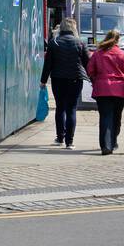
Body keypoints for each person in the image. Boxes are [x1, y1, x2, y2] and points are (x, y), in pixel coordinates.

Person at [41, 17, 88, 149]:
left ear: (61, 28)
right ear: (74, 28)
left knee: (60, 107)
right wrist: (93, 79)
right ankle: (70, 142)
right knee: (71, 109)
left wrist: (43, 81)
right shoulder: (80, 43)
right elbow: (87, 63)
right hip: (75, 79)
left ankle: (60, 137)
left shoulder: (54, 42)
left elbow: (48, 64)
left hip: (58, 79)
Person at [86, 28, 124, 155]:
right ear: (118, 40)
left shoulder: (98, 54)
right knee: (117, 117)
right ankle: (113, 141)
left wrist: (96, 80)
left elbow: (90, 70)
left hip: (103, 89)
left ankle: (106, 145)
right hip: (120, 90)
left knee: (105, 116)